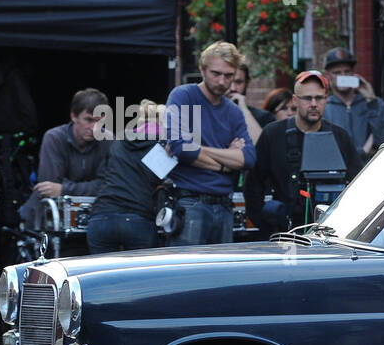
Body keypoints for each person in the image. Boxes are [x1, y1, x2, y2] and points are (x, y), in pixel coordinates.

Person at [245, 70, 362, 235]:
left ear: (326, 99)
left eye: (319, 98)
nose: (314, 103)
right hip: (284, 232)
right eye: (307, 98)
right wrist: (266, 225)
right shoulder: (273, 134)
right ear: (295, 100)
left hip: (330, 233)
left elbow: (358, 184)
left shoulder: (340, 137)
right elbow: (253, 185)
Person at [163, 41, 256, 246]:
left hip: (224, 204)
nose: (222, 81)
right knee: (187, 270)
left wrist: (200, 149)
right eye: (216, 73)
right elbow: (181, 147)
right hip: (191, 201)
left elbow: (249, 158)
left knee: (221, 275)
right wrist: (226, 161)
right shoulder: (183, 95)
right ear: (202, 69)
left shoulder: (233, 111)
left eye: (229, 75)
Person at [19, 88, 110, 228]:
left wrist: (64, 189)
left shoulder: (108, 140)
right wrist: (88, 187)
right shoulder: (54, 138)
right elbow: (49, 188)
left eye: (99, 121)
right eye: (89, 120)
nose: (94, 127)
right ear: (74, 116)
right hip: (47, 217)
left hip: (91, 217)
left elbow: (107, 186)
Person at [86, 100, 164, 253]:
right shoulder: (162, 147)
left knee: (101, 276)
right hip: (138, 218)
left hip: (101, 217)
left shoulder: (119, 141)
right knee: (140, 277)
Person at [322, 47, 384, 157]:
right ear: (328, 76)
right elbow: (327, 149)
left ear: (353, 74)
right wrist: (362, 151)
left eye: (347, 71)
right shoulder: (324, 107)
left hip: (369, 169)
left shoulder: (374, 103)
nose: (343, 76)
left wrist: (371, 100)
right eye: (337, 73)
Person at [230, 62, 271, 144]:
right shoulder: (202, 113)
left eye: (238, 82)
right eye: (229, 81)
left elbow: (264, 149)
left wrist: (244, 109)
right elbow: (197, 152)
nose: (233, 88)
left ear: (247, 82)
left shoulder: (264, 117)